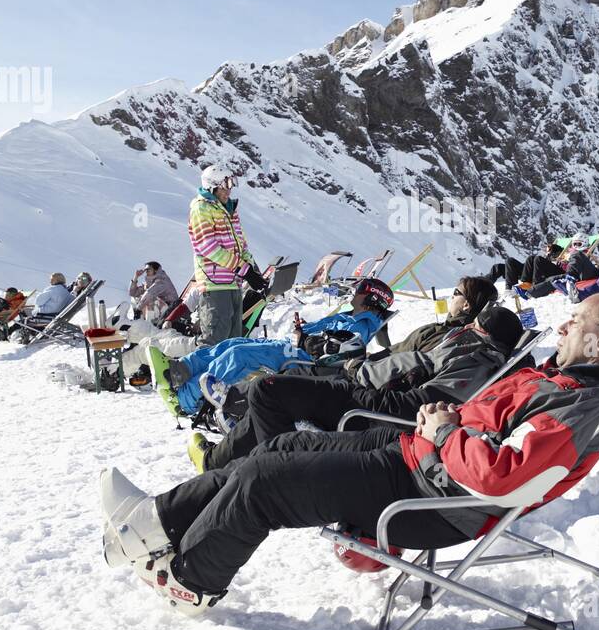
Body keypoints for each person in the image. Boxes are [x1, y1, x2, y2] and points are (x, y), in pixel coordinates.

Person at [100, 292, 599, 616]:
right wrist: (445, 429)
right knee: (285, 446)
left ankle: (190, 581)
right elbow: (490, 438)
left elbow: (499, 479)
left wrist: (442, 435)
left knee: (268, 481)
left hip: (433, 496)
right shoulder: (564, 382)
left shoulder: (578, 405)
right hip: (418, 461)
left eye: (575, 321)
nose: (562, 324)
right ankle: (149, 523)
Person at [191, 302, 525, 473]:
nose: (468, 324)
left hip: (373, 411)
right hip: (371, 396)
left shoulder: (476, 363)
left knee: (270, 389)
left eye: (476, 323)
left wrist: (362, 389)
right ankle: (219, 460)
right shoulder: (470, 352)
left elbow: (418, 407)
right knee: (273, 396)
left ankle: (274, 467)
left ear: (483, 331)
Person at [153, 277, 395, 418]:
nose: (355, 293)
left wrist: (307, 339)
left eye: (360, 291)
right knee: (233, 343)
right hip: (293, 347)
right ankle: (180, 371)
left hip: (301, 358)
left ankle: (185, 400)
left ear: (371, 298)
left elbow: (338, 351)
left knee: (239, 355)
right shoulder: (353, 316)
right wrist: (305, 330)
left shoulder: (362, 324)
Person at [188, 164, 264, 347]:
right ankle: (203, 373)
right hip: (214, 284)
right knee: (215, 337)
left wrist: (253, 269)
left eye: (232, 184)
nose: (229, 189)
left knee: (234, 338)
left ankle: (228, 375)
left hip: (233, 283)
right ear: (212, 186)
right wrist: (244, 270)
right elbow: (208, 247)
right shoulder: (201, 208)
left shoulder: (230, 210)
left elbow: (241, 244)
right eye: (226, 184)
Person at [379, 275, 497, 358]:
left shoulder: (440, 335)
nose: (452, 297)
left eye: (456, 293)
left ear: (466, 305)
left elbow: (392, 362)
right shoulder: (481, 341)